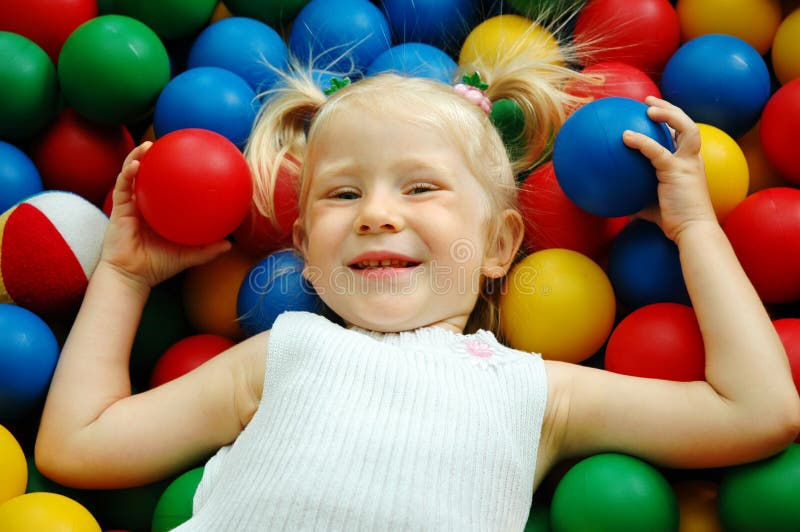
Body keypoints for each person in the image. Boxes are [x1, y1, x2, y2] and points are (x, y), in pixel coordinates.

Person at [35, 42, 799, 530]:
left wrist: (695, 229)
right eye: (342, 194)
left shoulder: (536, 390)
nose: (376, 214)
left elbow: (757, 411)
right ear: (304, 252)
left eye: (421, 188)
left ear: (498, 245)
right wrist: (125, 273)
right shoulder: (282, 354)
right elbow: (78, 445)